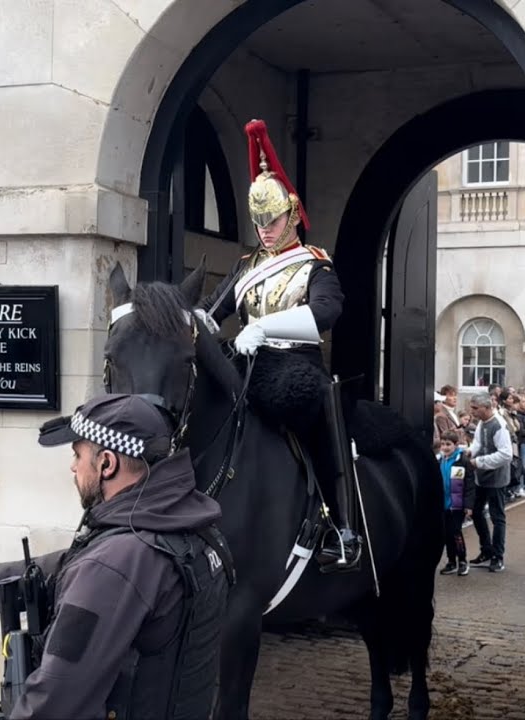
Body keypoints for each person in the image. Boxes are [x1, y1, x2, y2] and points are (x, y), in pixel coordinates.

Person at [0, 394, 234, 719]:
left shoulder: (116, 563)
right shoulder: (191, 531)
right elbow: (59, 569)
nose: (73, 467)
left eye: (78, 455)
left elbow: (56, 700)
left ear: (107, 464)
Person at [193, 118, 361, 574]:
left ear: (292, 214)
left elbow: (326, 312)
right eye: (259, 222)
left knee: (317, 415)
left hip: (295, 364)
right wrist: (194, 320)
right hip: (249, 364)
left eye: (273, 220)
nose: (265, 229)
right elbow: (213, 309)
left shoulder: (315, 265)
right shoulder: (247, 266)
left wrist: (264, 328)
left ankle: (341, 527)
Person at [465, 393, 513, 573]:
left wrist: (479, 462)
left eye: (475, 408)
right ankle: (486, 549)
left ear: (486, 407)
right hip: (482, 476)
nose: (472, 411)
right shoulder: (482, 423)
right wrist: (471, 452)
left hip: (496, 478)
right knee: (476, 512)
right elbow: (478, 442)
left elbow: (506, 454)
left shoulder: (499, 425)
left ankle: (498, 556)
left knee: (497, 517)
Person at [436, 431, 474, 577]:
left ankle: (462, 560)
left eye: (448, 444)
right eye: (443, 444)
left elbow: (469, 485)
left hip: (457, 505)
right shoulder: (439, 460)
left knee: (456, 532)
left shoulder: (462, 461)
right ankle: (451, 561)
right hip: (443, 505)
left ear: (456, 445)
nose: (445, 447)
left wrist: (468, 506)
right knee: (446, 534)